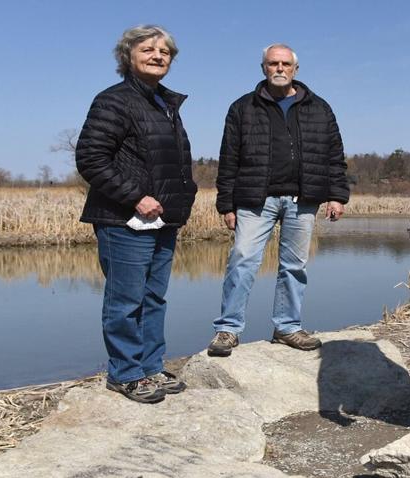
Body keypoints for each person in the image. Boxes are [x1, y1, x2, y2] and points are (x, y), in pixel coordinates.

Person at [75, 25, 196, 404]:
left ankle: (150, 366)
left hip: (163, 219)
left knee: (154, 297)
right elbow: (90, 158)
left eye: (165, 51)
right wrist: (135, 197)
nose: (158, 56)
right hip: (123, 219)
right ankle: (125, 374)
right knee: (125, 300)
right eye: (148, 49)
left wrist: (183, 198)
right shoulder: (114, 101)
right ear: (128, 56)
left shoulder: (164, 104)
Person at [208, 44, 351, 356]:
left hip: (304, 199)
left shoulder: (319, 107)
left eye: (285, 64)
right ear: (263, 68)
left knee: (294, 266)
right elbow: (228, 159)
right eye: (273, 63)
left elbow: (334, 155)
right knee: (242, 261)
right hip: (254, 199)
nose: (279, 69)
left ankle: (287, 327)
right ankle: (227, 330)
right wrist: (226, 204)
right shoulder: (242, 108)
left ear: (295, 70)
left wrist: (337, 195)